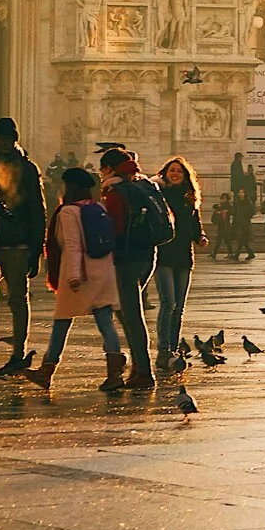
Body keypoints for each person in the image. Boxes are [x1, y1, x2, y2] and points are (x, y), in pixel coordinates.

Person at [23, 168, 127, 393]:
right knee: (105, 322)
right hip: (103, 272)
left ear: (69, 187)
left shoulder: (68, 212)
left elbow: (71, 245)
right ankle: (115, 373)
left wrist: (72, 276)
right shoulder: (98, 207)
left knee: (62, 321)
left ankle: (47, 371)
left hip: (81, 274)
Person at [97, 147, 172, 392]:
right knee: (127, 312)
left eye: (102, 169)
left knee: (132, 316)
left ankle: (144, 371)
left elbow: (115, 229)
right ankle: (138, 367)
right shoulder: (144, 185)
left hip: (126, 259)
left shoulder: (117, 192)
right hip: (148, 255)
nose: (101, 174)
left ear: (109, 169)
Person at [0, 119, 46, 378]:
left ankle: (19, 351)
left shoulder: (27, 168)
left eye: (9, 139)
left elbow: (37, 209)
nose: (4, 143)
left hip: (17, 242)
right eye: (0, 139)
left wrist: (36, 248)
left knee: (18, 299)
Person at [152, 156, 207, 375]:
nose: (175, 174)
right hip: (164, 253)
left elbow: (195, 222)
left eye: (179, 171)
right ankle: (163, 350)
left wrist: (200, 236)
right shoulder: (159, 194)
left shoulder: (189, 197)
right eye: (172, 170)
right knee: (168, 303)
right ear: (165, 173)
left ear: (185, 176)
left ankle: (174, 349)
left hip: (184, 254)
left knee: (179, 307)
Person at [225, 154, 256, 261]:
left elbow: (251, 212)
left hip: (244, 222)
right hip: (239, 222)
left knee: (242, 238)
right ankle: (249, 253)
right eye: (240, 193)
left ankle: (237, 254)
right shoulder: (236, 164)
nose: (241, 194)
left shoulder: (246, 202)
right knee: (242, 239)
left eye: (242, 192)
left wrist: (245, 217)